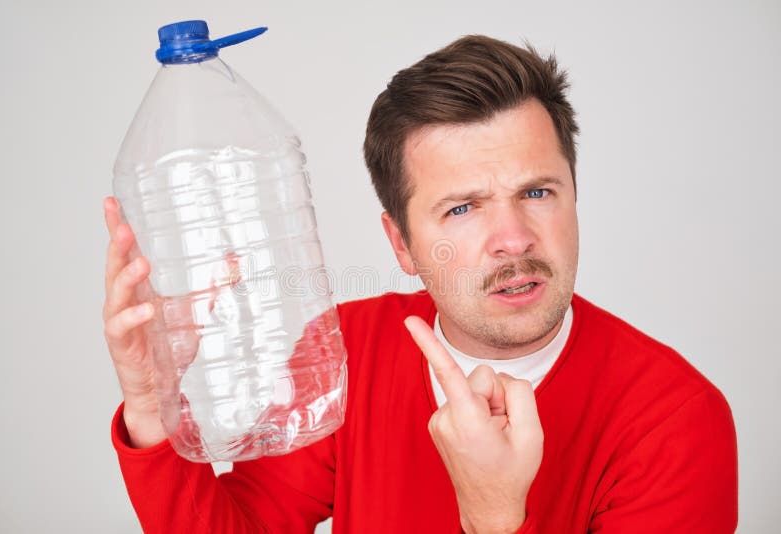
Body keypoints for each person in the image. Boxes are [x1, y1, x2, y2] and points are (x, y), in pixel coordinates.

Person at [103, 35, 738, 533]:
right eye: (463, 208)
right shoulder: (345, 352)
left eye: (537, 192)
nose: (513, 238)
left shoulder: (677, 421)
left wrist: (496, 519)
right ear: (401, 244)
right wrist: (148, 411)